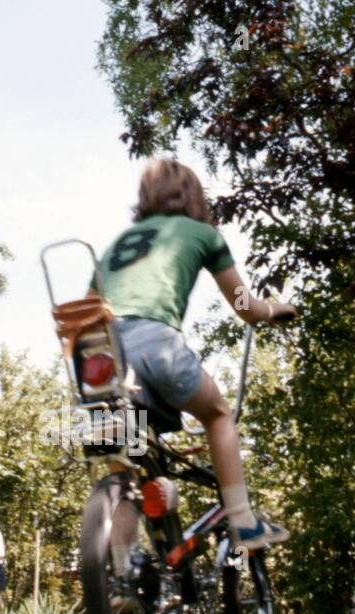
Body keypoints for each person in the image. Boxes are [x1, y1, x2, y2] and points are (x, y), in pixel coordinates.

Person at [93, 157, 294, 550]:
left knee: (126, 474)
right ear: (193, 196)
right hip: (155, 344)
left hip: (100, 353)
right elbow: (243, 304)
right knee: (218, 415)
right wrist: (272, 310)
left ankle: (117, 584)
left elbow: (89, 305)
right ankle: (242, 520)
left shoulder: (119, 242)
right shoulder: (203, 233)